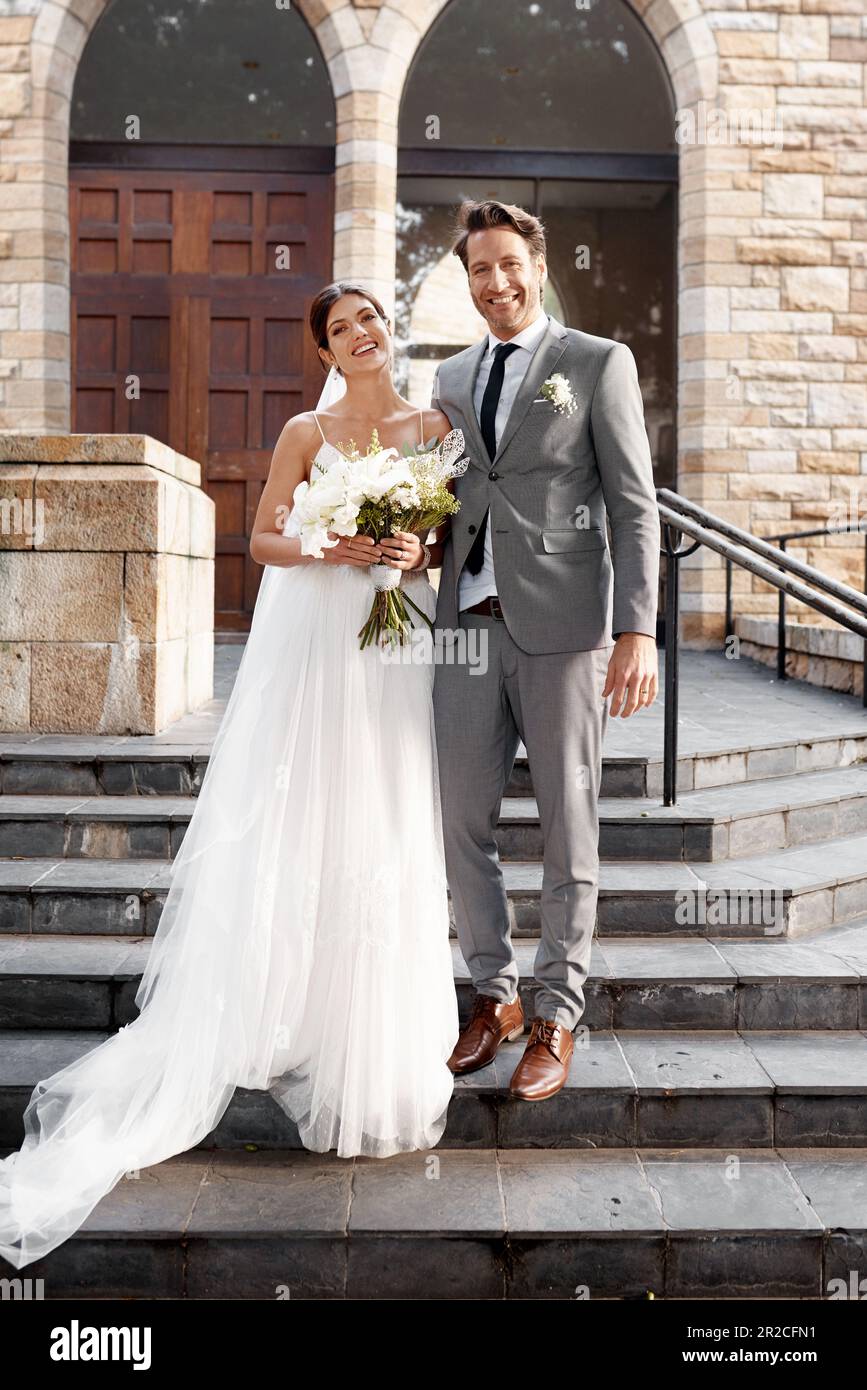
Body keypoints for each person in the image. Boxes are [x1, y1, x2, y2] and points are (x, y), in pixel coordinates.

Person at [0, 281, 459, 1272]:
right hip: (319, 633)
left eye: (369, 317)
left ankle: (363, 1040)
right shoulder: (307, 427)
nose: (361, 334)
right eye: (340, 329)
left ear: (388, 326)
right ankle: (267, 1003)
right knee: (303, 808)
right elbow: (260, 539)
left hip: (394, 639)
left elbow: (437, 548)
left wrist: (412, 548)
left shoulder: (434, 424)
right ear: (325, 350)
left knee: (382, 811)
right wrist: (331, 542)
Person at [432, 200, 660, 1102]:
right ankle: (493, 993)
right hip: (463, 626)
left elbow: (635, 506)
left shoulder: (598, 364)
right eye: (479, 271)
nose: (495, 284)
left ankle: (557, 1008)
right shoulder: (448, 377)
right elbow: (444, 495)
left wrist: (635, 629)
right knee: (458, 821)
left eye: (507, 266)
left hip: (564, 630)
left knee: (569, 822)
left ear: (536, 263)